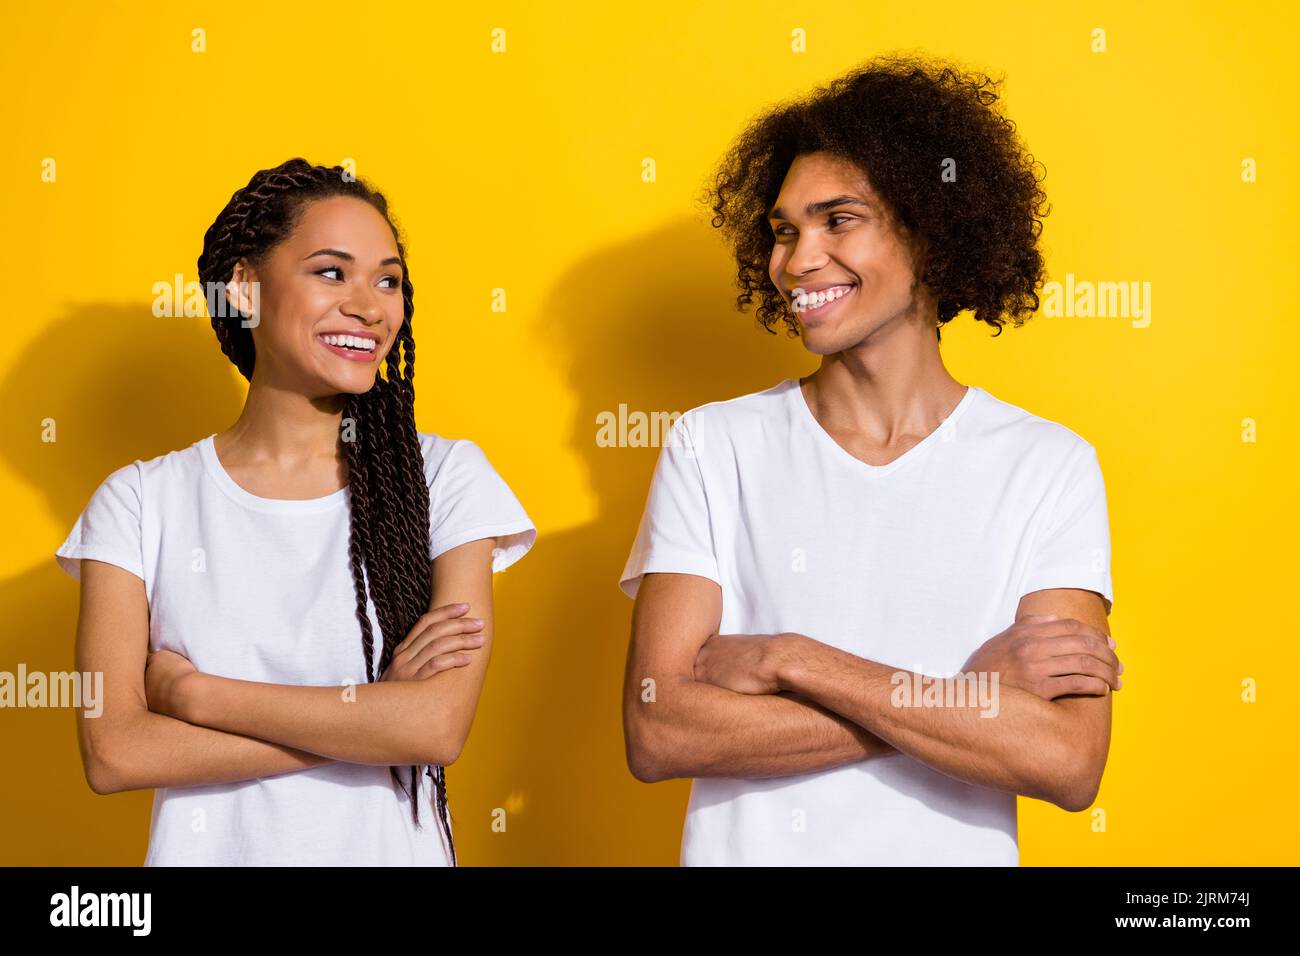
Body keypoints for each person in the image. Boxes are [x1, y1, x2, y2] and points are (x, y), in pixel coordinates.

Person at [619, 56, 1123, 865]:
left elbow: (1066, 761)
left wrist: (792, 658)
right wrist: (965, 697)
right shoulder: (712, 446)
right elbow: (659, 729)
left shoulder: (1048, 466)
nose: (797, 260)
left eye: (839, 220)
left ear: (930, 231)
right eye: (785, 230)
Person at [56, 159, 536, 866]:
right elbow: (115, 752)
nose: (370, 307)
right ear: (244, 287)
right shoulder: (139, 502)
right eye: (331, 273)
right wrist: (371, 716)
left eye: (388, 281)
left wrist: (198, 696)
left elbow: (435, 727)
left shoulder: (445, 477)